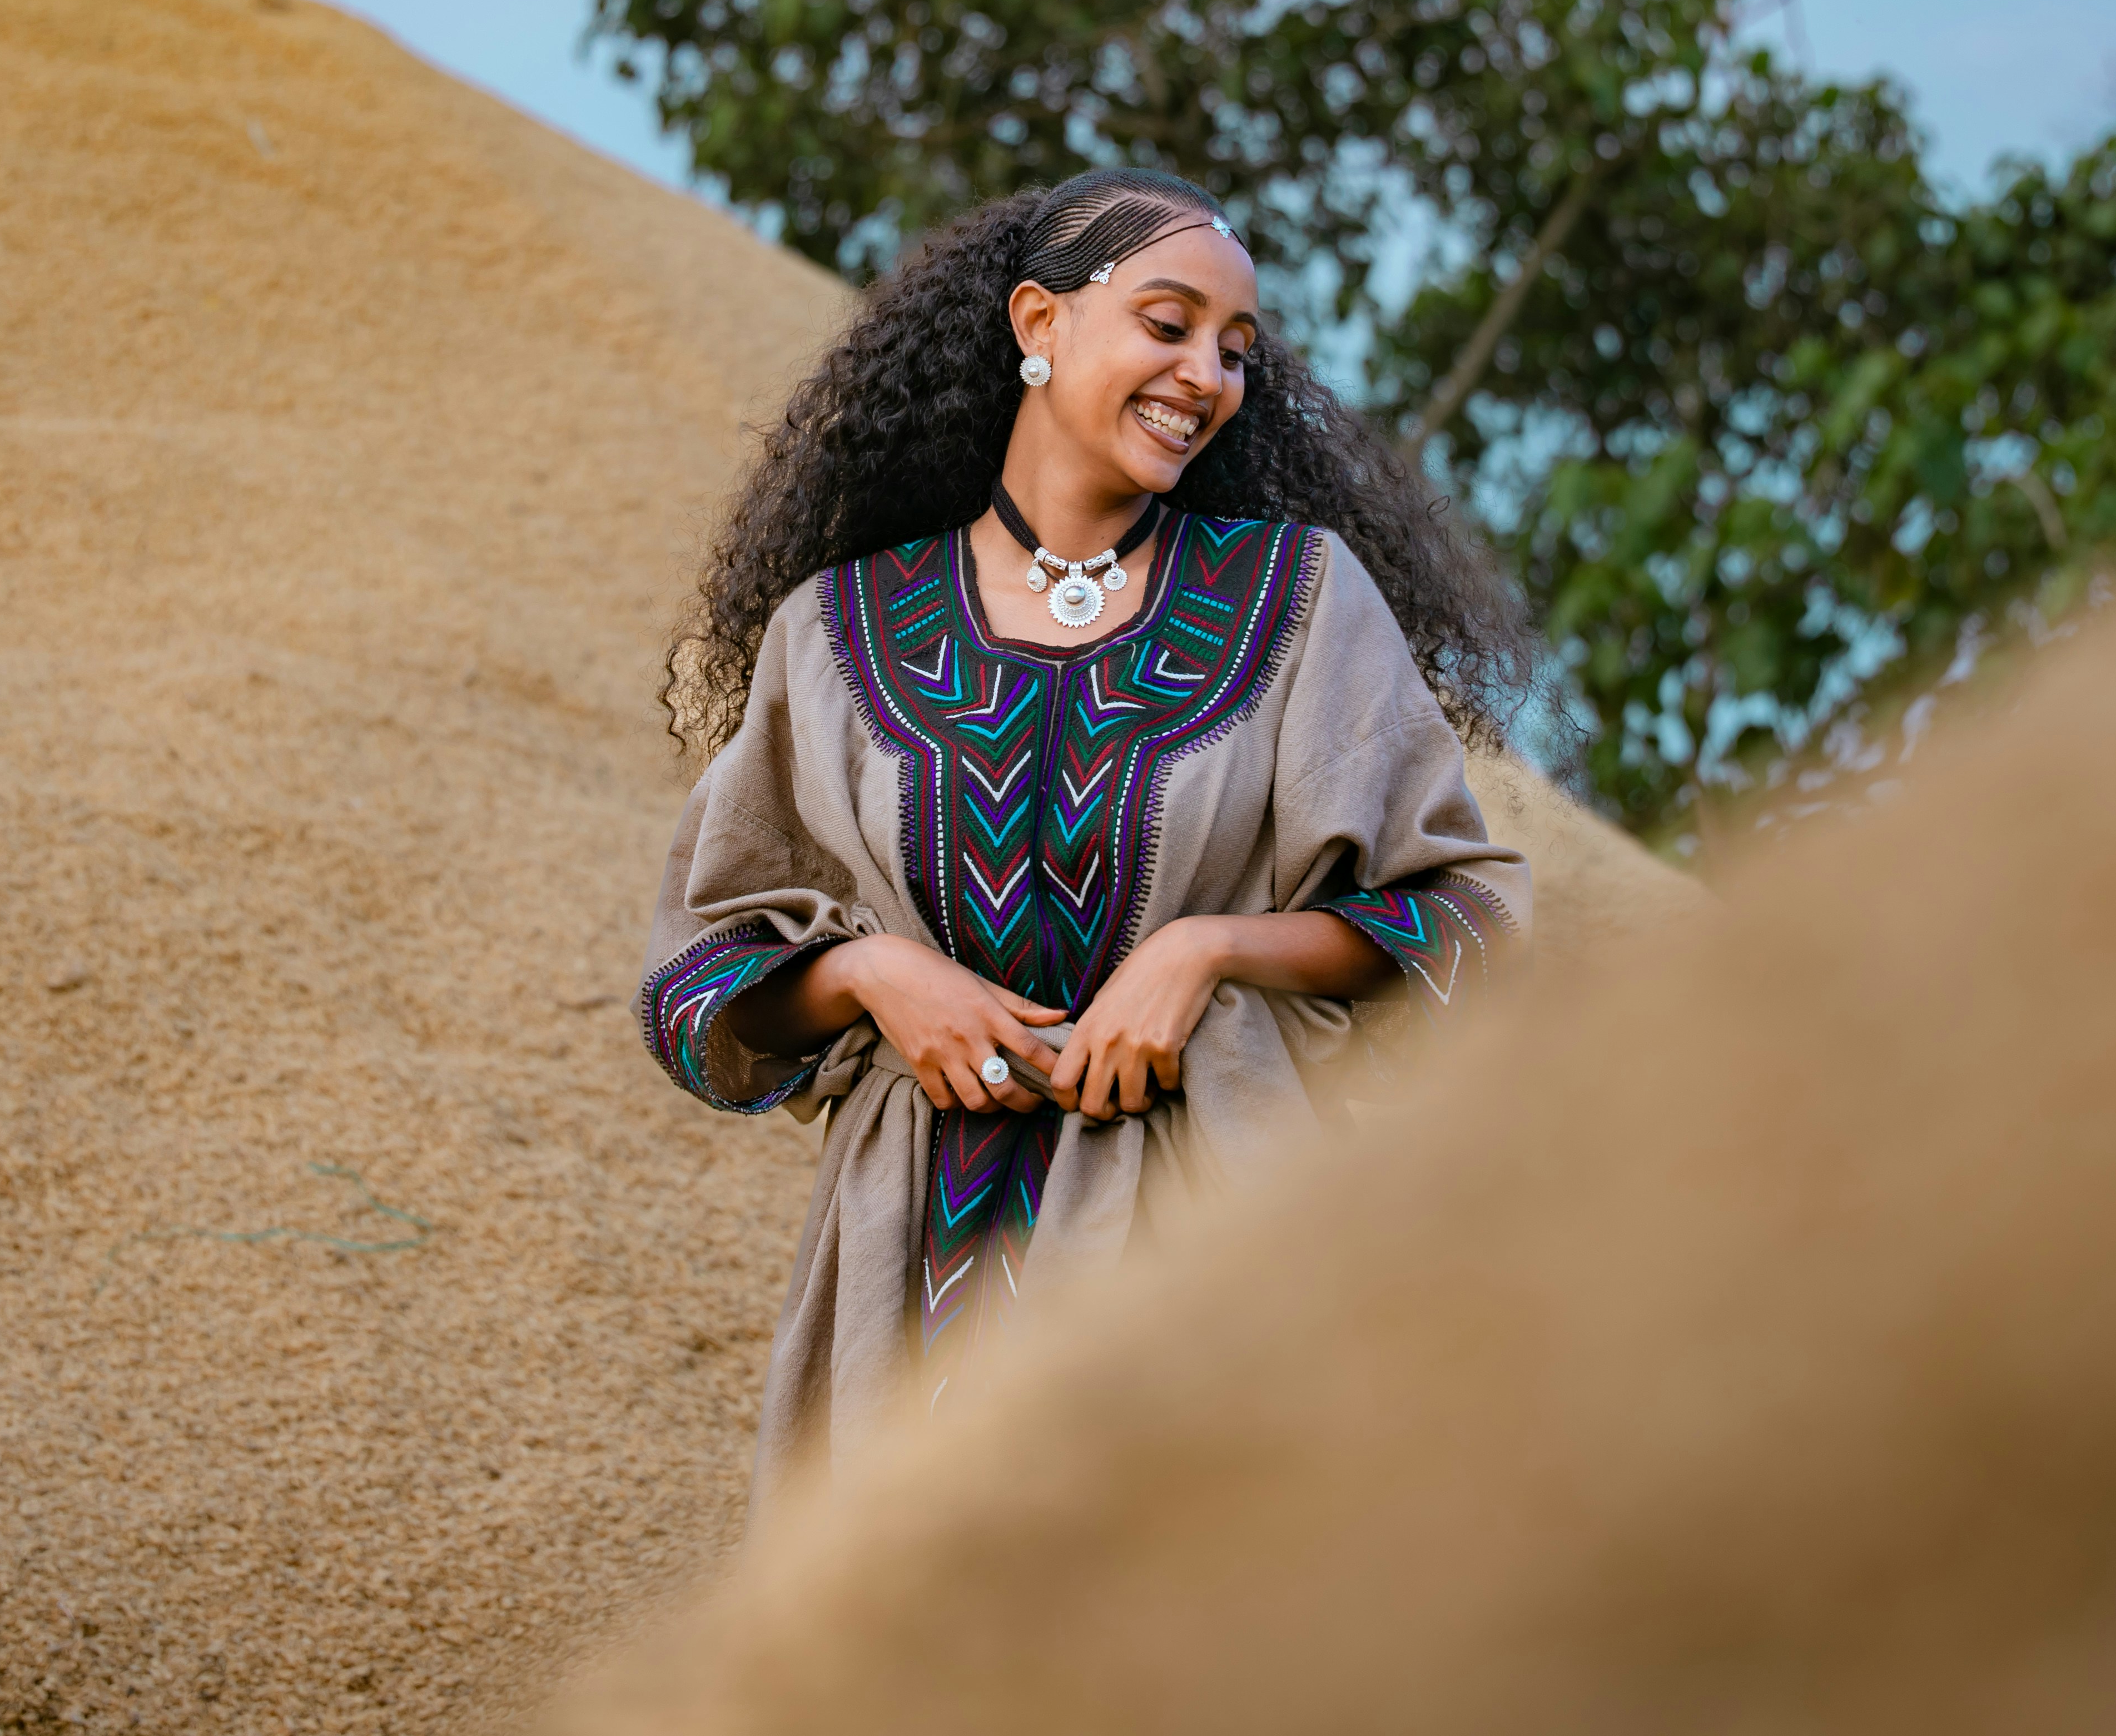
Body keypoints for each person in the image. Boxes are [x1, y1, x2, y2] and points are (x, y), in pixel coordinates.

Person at [636, 166, 1539, 1497]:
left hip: (1212, 1239)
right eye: (1168, 324)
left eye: (1238, 349)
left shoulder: (1294, 599)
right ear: (1039, 323)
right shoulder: (833, 632)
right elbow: (694, 986)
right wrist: (878, 977)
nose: (1209, 374)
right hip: (908, 1269)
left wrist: (1209, 949)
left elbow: (1466, 919)